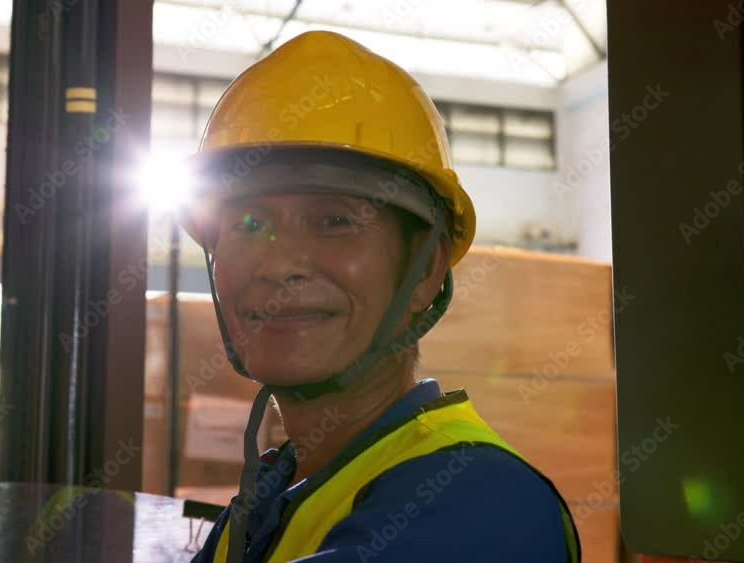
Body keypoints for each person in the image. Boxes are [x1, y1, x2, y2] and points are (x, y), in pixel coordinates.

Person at [180, 30, 580, 563]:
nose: (277, 265)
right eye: (249, 222)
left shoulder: (480, 501)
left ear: (425, 270)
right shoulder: (269, 496)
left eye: (335, 221)